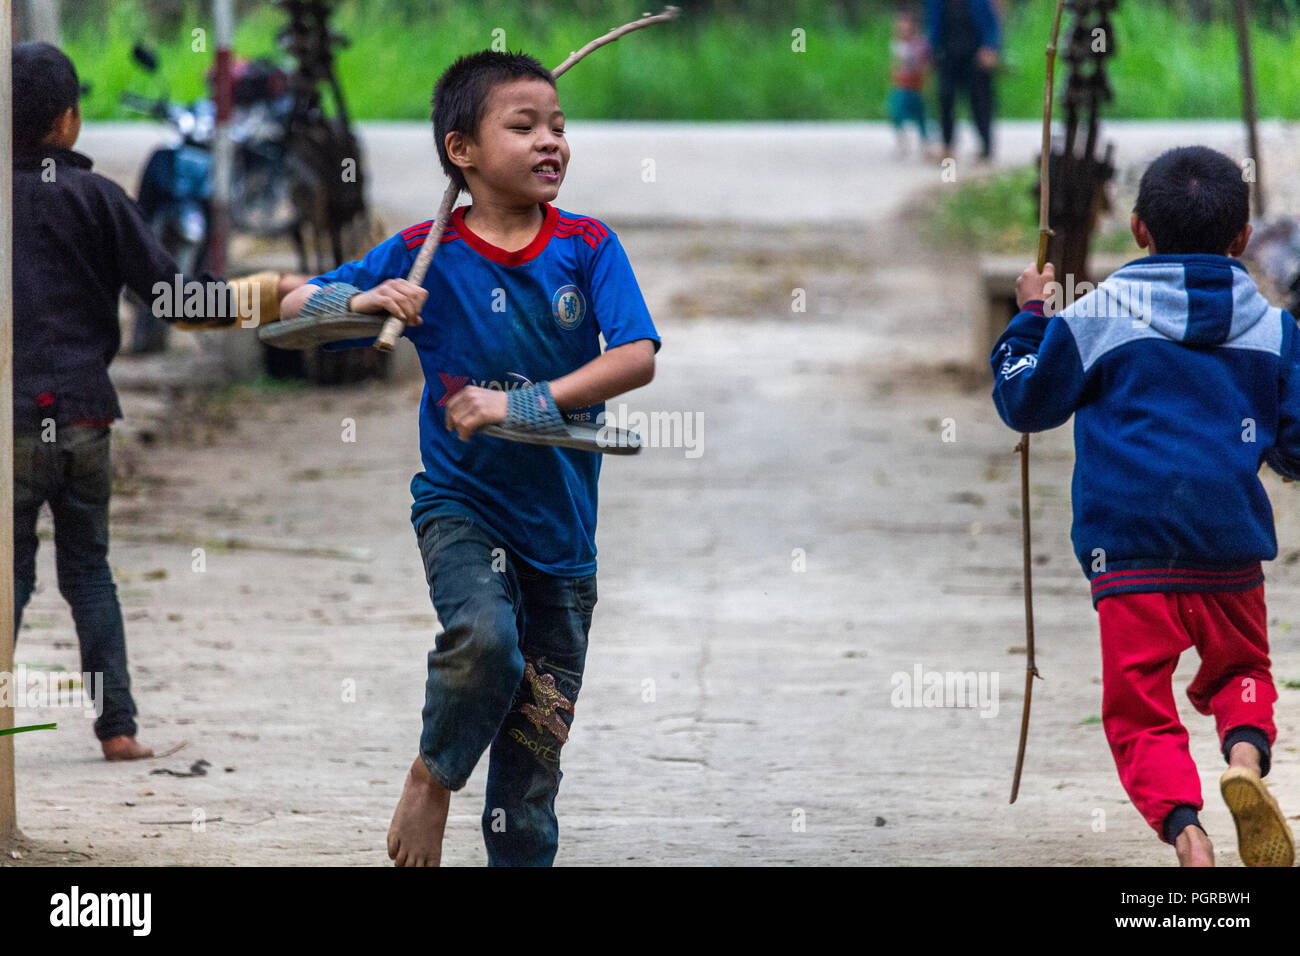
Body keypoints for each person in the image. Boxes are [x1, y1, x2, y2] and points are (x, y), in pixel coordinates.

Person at [280, 49, 660, 867]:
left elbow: (636, 356)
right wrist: (365, 298)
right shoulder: (424, 252)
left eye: (557, 125)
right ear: (463, 151)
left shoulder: (589, 246)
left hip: (564, 539)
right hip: (462, 509)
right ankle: (432, 774)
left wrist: (521, 403)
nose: (550, 141)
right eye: (523, 127)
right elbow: (289, 307)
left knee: (530, 777)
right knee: (485, 642)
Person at [990, 145, 1296, 867]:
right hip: (1228, 543)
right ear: (1243, 239)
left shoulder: (1094, 318)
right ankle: (1244, 767)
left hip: (1126, 552)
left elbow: (1024, 401)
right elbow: (1297, 447)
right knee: (1242, 670)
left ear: (1136, 229)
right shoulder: (1276, 332)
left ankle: (1190, 839)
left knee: (1142, 713)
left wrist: (1032, 315)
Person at [10, 43, 302, 761]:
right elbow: (180, 302)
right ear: (70, 122)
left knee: (6, 576)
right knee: (89, 574)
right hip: (83, 418)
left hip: (9, 424)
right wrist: (270, 292)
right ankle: (118, 731)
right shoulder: (100, 200)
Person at [925, 0, 1000, 160]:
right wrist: (930, 53)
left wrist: (990, 48)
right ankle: (947, 146)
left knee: (980, 102)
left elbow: (991, 25)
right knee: (945, 98)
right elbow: (932, 25)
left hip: (975, 56)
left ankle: (985, 146)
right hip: (947, 55)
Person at [887, 9, 931, 156]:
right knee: (896, 112)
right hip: (901, 85)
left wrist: (925, 83)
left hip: (915, 85)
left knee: (920, 116)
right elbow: (894, 64)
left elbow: (925, 65)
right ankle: (902, 141)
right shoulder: (897, 44)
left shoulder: (920, 44)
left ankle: (925, 143)